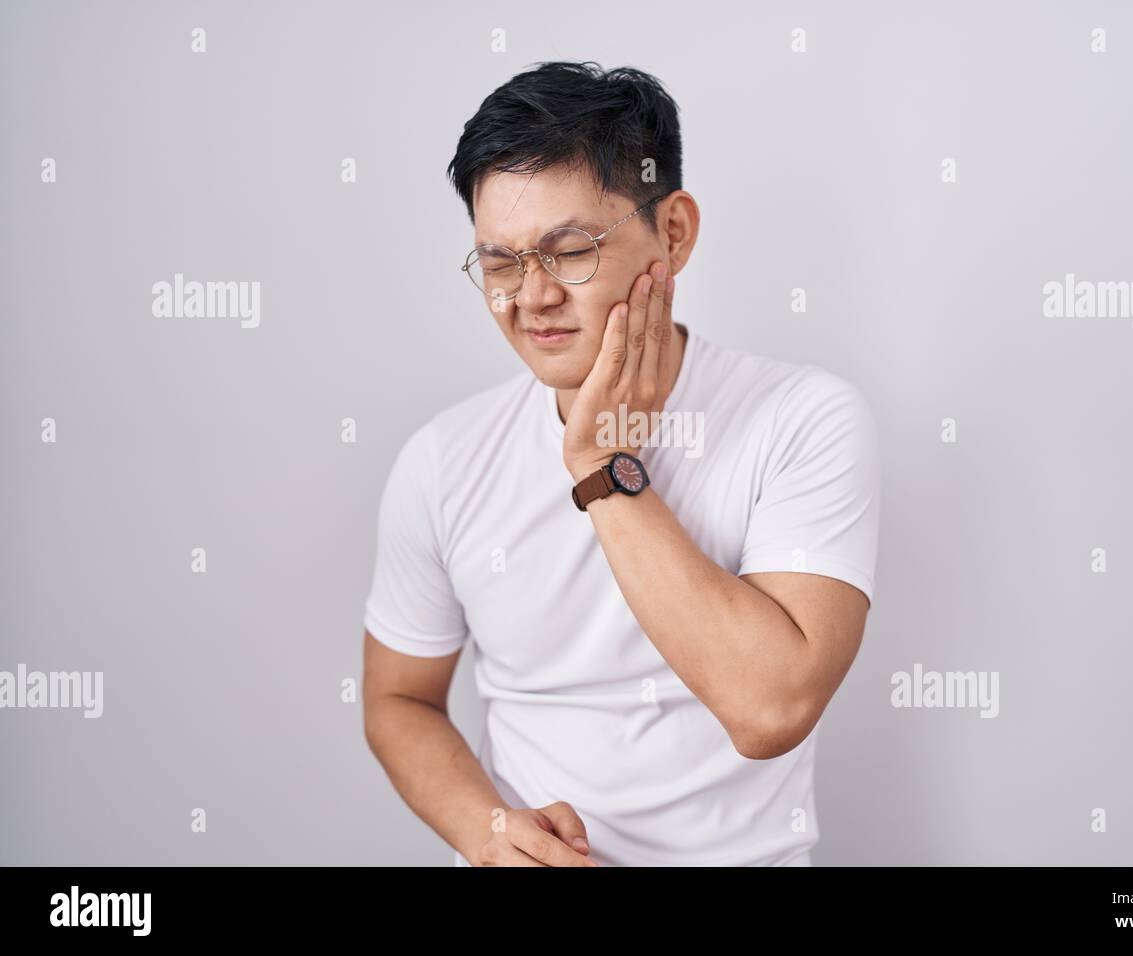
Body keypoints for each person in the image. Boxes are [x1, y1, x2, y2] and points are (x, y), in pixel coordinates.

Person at [361, 61, 881, 866]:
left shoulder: (800, 419)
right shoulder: (442, 460)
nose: (530, 297)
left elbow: (769, 707)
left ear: (672, 232)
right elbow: (399, 698)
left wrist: (603, 464)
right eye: (499, 263)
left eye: (568, 251)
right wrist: (487, 832)